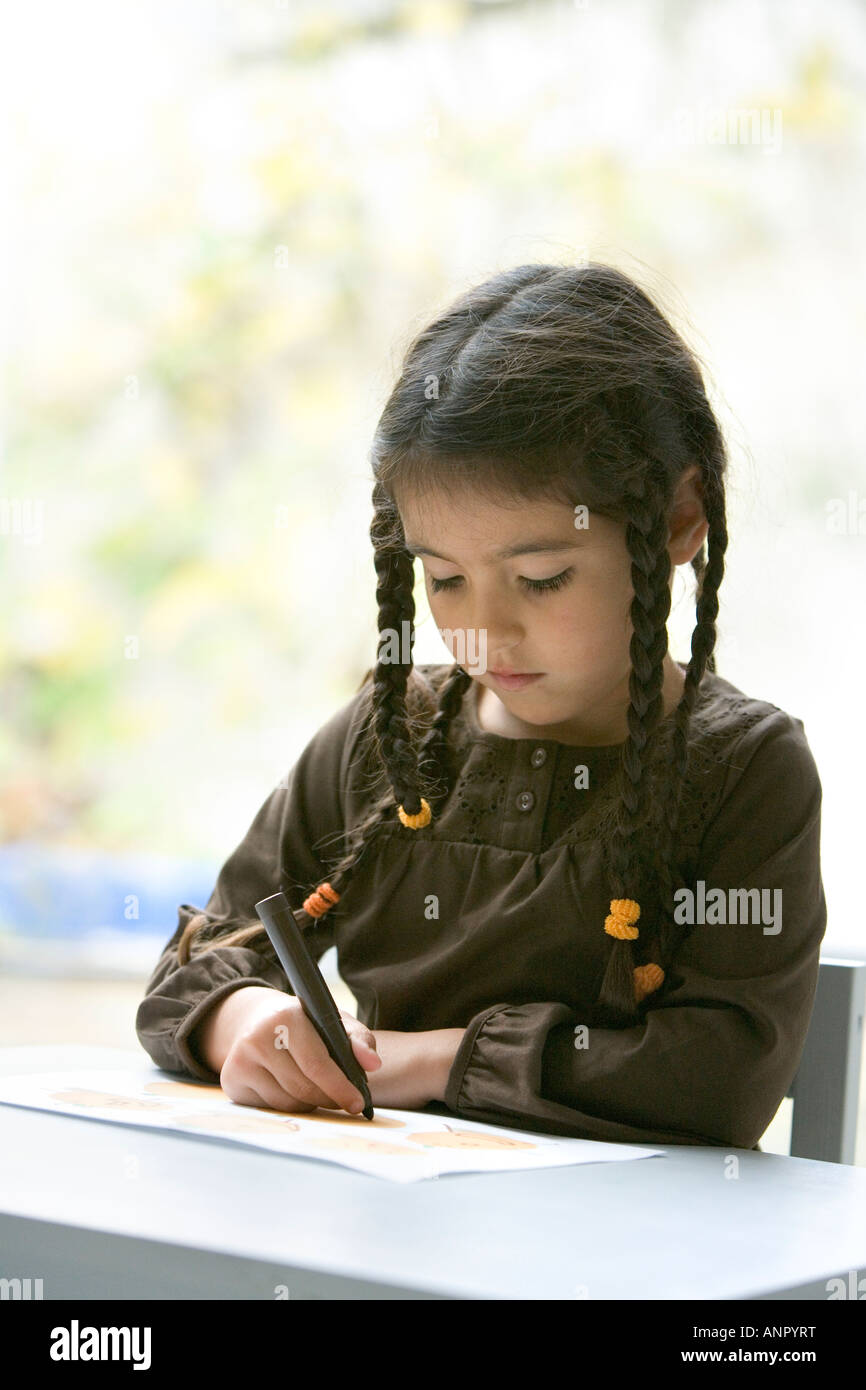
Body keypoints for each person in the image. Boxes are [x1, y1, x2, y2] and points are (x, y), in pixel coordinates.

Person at [136, 262, 826, 1150]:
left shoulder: (743, 771)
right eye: (445, 579)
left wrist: (419, 1062)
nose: (484, 635)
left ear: (679, 519)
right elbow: (197, 963)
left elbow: (720, 1076)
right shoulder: (390, 740)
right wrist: (247, 1021)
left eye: (542, 579)